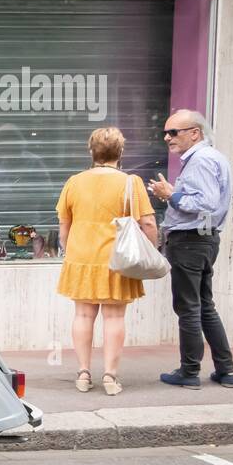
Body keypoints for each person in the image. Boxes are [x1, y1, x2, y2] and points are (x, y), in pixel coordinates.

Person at [55, 128, 158, 395]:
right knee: (114, 318)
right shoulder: (130, 182)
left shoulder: (74, 182)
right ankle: (110, 377)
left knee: (83, 315)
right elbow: (147, 221)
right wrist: (152, 250)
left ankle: (83, 373)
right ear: (120, 152)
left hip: (81, 257)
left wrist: (70, 250)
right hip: (117, 258)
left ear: (92, 151)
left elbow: (64, 224)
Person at [147, 109, 233, 388]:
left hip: (190, 241)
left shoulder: (201, 160)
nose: (167, 138)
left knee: (188, 307)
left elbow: (205, 203)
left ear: (194, 133)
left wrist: (170, 195)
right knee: (204, 306)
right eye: (165, 132)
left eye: (173, 132)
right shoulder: (213, 158)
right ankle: (226, 370)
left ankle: (189, 372)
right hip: (204, 239)